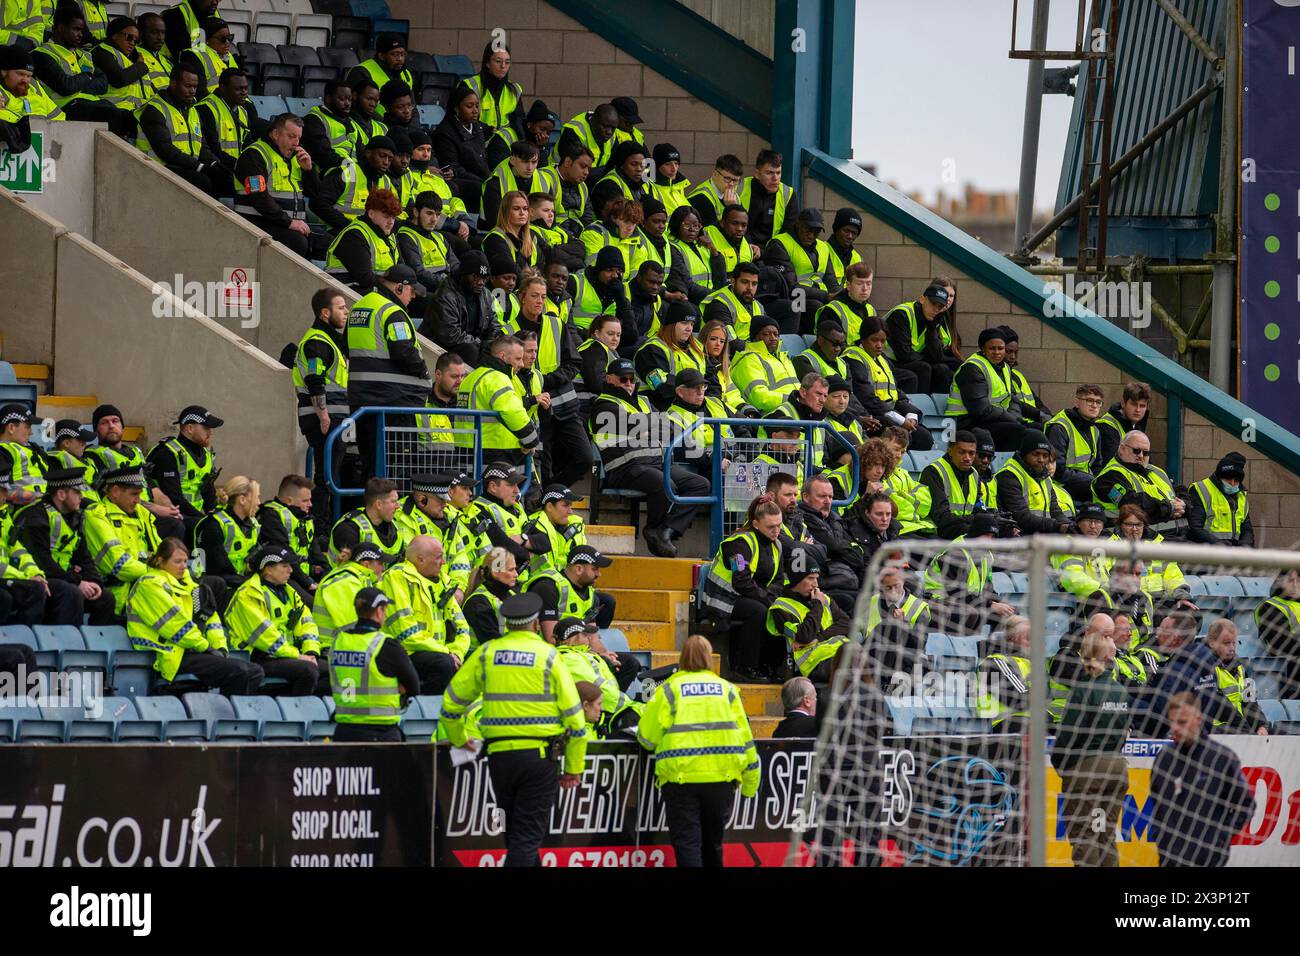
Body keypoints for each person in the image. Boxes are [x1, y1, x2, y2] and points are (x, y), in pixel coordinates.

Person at [440, 591, 587, 867]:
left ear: (506, 623)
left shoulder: (487, 654)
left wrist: (460, 739)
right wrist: (574, 768)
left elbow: (451, 704)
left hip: (500, 759)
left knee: (518, 838)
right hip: (538, 758)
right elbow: (576, 721)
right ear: (534, 623)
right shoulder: (548, 656)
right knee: (526, 839)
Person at [636, 634, 760, 868]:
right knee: (713, 844)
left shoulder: (669, 690)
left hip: (681, 780)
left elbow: (646, 738)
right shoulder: (728, 690)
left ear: (682, 659)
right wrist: (750, 785)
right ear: (709, 658)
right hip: (721, 779)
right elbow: (746, 739)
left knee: (687, 845)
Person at [588, 357, 709, 557]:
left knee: (700, 485)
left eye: (632, 380)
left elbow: (670, 426)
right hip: (624, 467)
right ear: (610, 379)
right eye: (623, 379)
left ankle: (665, 531)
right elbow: (634, 424)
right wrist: (650, 425)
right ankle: (652, 527)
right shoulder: (603, 404)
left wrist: (647, 426)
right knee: (664, 483)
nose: (629, 384)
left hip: (655, 462)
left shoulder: (643, 401)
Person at [125, 536, 262, 694]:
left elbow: (212, 620)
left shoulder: (193, 587)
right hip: (168, 655)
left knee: (255, 671)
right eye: (177, 561)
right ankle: (228, 714)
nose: (183, 566)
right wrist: (207, 648)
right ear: (160, 561)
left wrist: (220, 647)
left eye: (185, 561)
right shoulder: (149, 584)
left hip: (192, 651)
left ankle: (228, 711)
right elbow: (177, 626)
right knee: (241, 672)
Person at [1052, 627, 1132, 868]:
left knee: (1084, 836)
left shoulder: (1083, 690)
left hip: (1087, 769)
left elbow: (1068, 734)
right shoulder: (1120, 691)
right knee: (1105, 835)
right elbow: (1124, 734)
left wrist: (1060, 765)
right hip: (1117, 768)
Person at [503, 271, 590, 487]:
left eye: (543, 296)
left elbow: (574, 362)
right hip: (534, 410)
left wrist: (545, 380)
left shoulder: (556, 324)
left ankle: (553, 496)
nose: (540, 301)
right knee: (543, 466)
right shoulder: (509, 331)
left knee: (585, 458)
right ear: (522, 297)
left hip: (565, 405)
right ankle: (548, 499)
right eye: (534, 296)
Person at [1149, 693, 1255, 867]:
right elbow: (1157, 805)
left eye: (1182, 722)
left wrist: (1220, 838)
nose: (1175, 728)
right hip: (1170, 858)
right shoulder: (1164, 758)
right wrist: (1163, 840)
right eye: (1172, 722)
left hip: (1209, 858)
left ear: (1198, 719)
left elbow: (1245, 805)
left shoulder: (1222, 758)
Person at [345, 264, 430, 469]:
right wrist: (423, 372)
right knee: (395, 467)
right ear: (400, 288)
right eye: (412, 290)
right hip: (393, 402)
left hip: (362, 401)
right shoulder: (392, 312)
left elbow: (346, 348)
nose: (414, 296)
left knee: (371, 464)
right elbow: (404, 352)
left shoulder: (359, 308)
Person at [698, 496, 785, 681]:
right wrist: (765, 598)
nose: (776, 531)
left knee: (781, 609)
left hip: (751, 595)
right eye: (771, 527)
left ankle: (772, 666)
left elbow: (778, 579)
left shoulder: (776, 544)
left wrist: (772, 596)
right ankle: (744, 667)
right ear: (755, 523)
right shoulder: (738, 544)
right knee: (759, 611)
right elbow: (741, 581)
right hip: (724, 599)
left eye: (779, 525)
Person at [328, 586, 421, 741]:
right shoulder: (385, 645)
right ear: (379, 611)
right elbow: (414, 687)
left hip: (344, 732)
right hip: (380, 734)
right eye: (384, 610)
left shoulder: (338, 642)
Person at [380, 534, 467, 695]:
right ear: (420, 560)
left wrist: (456, 652)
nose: (444, 563)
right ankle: (422, 708)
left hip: (438, 653)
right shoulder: (397, 578)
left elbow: (462, 628)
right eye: (439, 558)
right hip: (405, 652)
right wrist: (446, 652)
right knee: (444, 664)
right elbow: (406, 633)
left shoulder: (442, 580)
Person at [291, 288, 348, 519]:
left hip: (334, 418)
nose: (346, 312)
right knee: (325, 477)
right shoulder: (317, 341)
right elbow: (314, 380)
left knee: (330, 475)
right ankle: (319, 527)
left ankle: (322, 525)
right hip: (324, 419)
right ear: (325, 313)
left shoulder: (328, 339)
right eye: (341, 308)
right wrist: (323, 415)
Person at [85, 404, 183, 540]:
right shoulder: (93, 456)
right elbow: (111, 495)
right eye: (104, 423)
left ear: (122, 426)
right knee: (174, 525)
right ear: (96, 430)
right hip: (123, 515)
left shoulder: (135, 452)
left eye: (115, 421)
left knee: (181, 521)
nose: (111, 426)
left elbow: (151, 487)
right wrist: (155, 508)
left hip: (146, 513)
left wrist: (170, 508)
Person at [233, 111, 322, 258]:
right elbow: (259, 197)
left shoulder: (296, 157)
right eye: (291, 137)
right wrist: (289, 223)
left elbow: (315, 194)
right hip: (258, 224)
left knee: (335, 245)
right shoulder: (254, 156)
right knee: (298, 243)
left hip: (291, 226)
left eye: (299, 138)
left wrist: (309, 170)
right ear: (275, 134)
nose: (296, 143)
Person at [33, 6, 131, 135]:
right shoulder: (41, 54)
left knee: (132, 118)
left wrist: (79, 83)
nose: (81, 34)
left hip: (92, 103)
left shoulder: (83, 55)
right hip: (66, 108)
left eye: (82, 30)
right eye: (76, 29)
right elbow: (65, 86)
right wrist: (88, 76)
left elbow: (103, 84)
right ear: (61, 28)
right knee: (113, 115)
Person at [78, 465, 159, 616]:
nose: (138, 500)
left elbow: (162, 552)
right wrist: (162, 572)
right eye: (134, 494)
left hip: (147, 586)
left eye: (140, 494)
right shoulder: (97, 515)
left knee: (204, 587)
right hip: (119, 597)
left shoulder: (142, 513)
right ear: (115, 492)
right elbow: (120, 567)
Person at [768, 546, 852, 684]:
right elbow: (804, 636)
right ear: (797, 580)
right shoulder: (781, 607)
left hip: (842, 653)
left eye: (817, 578)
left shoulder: (823, 598)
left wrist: (819, 638)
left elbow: (847, 623)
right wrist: (817, 605)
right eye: (810, 578)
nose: (816, 584)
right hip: (816, 663)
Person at [135, 63, 222, 196]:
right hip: (158, 169)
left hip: (186, 167)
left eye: (195, 87)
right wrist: (200, 167)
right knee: (204, 181)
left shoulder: (192, 109)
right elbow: (165, 150)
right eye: (188, 86)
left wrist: (215, 163)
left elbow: (201, 146)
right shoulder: (155, 109)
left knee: (226, 179)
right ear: (173, 84)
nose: (192, 91)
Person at [922, 512, 1016, 633]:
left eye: (992, 537)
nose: (989, 541)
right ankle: (966, 648)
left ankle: (996, 648)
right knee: (971, 614)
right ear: (975, 534)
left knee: (1009, 613)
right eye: (986, 536)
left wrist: (999, 604)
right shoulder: (956, 553)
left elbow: (988, 589)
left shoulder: (986, 555)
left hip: (971, 602)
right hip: (940, 601)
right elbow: (958, 594)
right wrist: (990, 605)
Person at [455, 335, 540, 468]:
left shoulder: (471, 377)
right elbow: (512, 411)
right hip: (494, 457)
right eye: (518, 359)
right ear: (502, 356)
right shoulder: (496, 378)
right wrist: (531, 440)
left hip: (466, 455)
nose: (522, 364)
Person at [145, 404, 221, 539]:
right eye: (206, 427)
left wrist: (215, 516)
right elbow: (174, 498)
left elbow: (209, 492)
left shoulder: (207, 455)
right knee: (211, 531)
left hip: (193, 516)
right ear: (190, 428)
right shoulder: (168, 453)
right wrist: (204, 519)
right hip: (171, 516)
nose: (210, 432)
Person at [1092, 430, 1186, 537]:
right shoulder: (1109, 477)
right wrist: (1169, 508)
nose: (1141, 456)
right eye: (1136, 451)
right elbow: (1132, 502)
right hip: (1138, 540)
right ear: (1122, 449)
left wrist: (1183, 504)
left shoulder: (1157, 471)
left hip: (1177, 535)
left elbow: (1180, 490)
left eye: (1146, 453)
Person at [945, 327, 1024, 451]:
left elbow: (1011, 398)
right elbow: (980, 410)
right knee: (1018, 431)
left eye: (1001, 348)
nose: (997, 352)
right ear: (983, 349)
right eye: (992, 348)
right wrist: (1012, 419)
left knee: (1036, 429)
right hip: (964, 422)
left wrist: (1017, 417)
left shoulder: (1004, 368)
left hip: (993, 419)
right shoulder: (972, 368)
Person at [526, 544, 618, 641]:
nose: (599, 574)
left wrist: (604, 653)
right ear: (579, 569)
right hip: (551, 652)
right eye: (594, 569)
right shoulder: (548, 588)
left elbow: (593, 639)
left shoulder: (591, 595)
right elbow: (552, 640)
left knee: (618, 656)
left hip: (576, 650)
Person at [883, 280, 960, 395]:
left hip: (908, 359)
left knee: (942, 370)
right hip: (885, 360)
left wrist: (932, 327)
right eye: (933, 304)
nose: (936, 309)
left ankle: (933, 407)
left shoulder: (932, 319)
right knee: (924, 368)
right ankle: (920, 405)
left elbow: (937, 355)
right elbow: (904, 354)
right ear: (922, 299)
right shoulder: (902, 314)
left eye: (940, 306)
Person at [192, 474, 261, 600]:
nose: (259, 503)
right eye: (257, 497)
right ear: (242, 500)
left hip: (241, 584)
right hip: (219, 589)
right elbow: (218, 570)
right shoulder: (214, 526)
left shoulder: (253, 525)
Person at [312, 544, 387, 658]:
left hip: (345, 647)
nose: (383, 568)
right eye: (381, 563)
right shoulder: (344, 581)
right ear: (366, 564)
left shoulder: (360, 579)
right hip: (333, 650)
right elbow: (353, 627)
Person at [424, 251, 498, 364]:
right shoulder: (445, 295)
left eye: (484, 278)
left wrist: (493, 343)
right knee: (471, 351)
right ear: (463, 274)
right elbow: (451, 335)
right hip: (439, 349)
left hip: (474, 345)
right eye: (475, 277)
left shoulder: (485, 294)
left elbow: (494, 322)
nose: (480, 282)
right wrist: (482, 344)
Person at [995, 430, 1072, 535]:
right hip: (1020, 535)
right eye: (1036, 454)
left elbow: (1055, 510)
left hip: (1043, 532)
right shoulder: (1009, 475)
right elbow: (1021, 517)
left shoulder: (1045, 476)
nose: (1041, 460)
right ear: (1024, 454)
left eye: (1045, 456)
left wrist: (1069, 525)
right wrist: (1058, 526)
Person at [324, 187, 402, 291]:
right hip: (347, 291)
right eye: (386, 216)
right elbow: (365, 278)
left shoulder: (390, 236)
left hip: (376, 289)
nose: (391, 222)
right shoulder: (355, 235)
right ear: (371, 214)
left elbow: (402, 268)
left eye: (393, 217)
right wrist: (394, 288)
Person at [634, 300, 707, 410]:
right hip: (660, 410)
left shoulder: (697, 348)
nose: (689, 329)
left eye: (692, 324)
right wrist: (692, 394)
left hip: (693, 406)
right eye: (684, 323)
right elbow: (660, 385)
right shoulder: (652, 349)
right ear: (671, 324)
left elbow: (711, 378)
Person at [258, 474, 322, 598]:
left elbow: (317, 554)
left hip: (306, 574)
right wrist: (308, 583)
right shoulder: (270, 516)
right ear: (289, 500)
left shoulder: (305, 518)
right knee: (314, 605)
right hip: (285, 577)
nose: (310, 504)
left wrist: (329, 576)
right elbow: (284, 552)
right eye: (305, 501)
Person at [192, 66, 250, 197]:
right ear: (223, 88)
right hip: (217, 169)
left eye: (245, 88)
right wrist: (238, 166)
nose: (244, 92)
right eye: (238, 89)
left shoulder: (242, 111)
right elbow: (212, 148)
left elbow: (247, 145)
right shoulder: (206, 108)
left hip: (236, 169)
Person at [1204, 619, 1269, 734]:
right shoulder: (1206, 666)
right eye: (1226, 643)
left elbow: (1250, 699)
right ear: (1212, 642)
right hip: (1215, 728)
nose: (1232, 648)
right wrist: (1246, 730)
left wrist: (1261, 725)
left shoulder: (1241, 666)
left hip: (1239, 727)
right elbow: (1220, 707)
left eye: (1234, 643)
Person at [433, 84, 489, 214]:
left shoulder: (477, 127)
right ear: (456, 109)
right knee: (483, 189)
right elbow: (454, 168)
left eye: (477, 106)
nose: (475, 111)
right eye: (469, 106)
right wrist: (485, 181)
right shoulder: (444, 133)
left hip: (481, 176)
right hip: (461, 179)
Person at [1044, 384, 1105, 502]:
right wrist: (1091, 479)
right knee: (1100, 492)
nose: (1094, 405)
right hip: (1061, 486)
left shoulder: (1094, 430)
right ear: (1077, 402)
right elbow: (1058, 471)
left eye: (1098, 402)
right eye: (1089, 400)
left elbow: (1097, 465)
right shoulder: (1060, 427)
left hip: (1085, 482)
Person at [767, 207, 837, 308]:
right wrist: (825, 296)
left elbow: (831, 282)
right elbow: (789, 286)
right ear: (798, 224)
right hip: (792, 298)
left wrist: (842, 296)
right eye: (808, 229)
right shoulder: (779, 244)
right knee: (817, 306)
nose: (811, 235)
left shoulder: (823, 247)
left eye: (816, 231)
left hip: (820, 296)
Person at [919, 430, 983, 539]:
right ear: (950, 451)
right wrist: (975, 519)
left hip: (963, 525)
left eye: (971, 453)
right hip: (937, 530)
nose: (967, 458)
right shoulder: (933, 472)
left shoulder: (974, 474)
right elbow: (941, 518)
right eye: (962, 452)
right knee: (978, 533)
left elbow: (978, 506)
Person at [974, 615, 1034, 732]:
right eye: (1028, 637)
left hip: (1031, 721)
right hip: (1005, 724)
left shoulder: (1033, 663)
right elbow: (1018, 699)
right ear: (1012, 639)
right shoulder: (994, 662)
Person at [731, 315, 798, 415]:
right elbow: (759, 398)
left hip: (796, 412)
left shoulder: (783, 358)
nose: (773, 338)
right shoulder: (748, 359)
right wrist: (795, 401)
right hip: (774, 418)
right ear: (755, 338)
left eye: (776, 334)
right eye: (766, 334)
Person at [331, 476, 402, 565]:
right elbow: (355, 567)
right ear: (379, 504)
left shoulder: (394, 525)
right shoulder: (348, 528)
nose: (398, 506)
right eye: (393, 501)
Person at [1186, 452, 1253, 547]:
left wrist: (1245, 547)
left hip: (1233, 555)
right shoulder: (1201, 489)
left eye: (1236, 480)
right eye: (1228, 479)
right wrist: (1218, 545)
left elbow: (1246, 529)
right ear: (1219, 477)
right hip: (1207, 554)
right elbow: (1193, 528)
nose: (1233, 484)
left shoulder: (1241, 495)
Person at [397, 192, 458, 294]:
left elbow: (455, 265)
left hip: (447, 286)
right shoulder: (406, 236)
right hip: (429, 290)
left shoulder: (438, 236)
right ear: (416, 212)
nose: (434, 219)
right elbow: (419, 273)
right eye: (429, 213)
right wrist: (450, 284)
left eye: (438, 214)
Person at [91, 17, 152, 117]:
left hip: (137, 113)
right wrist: (141, 66)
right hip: (115, 112)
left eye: (136, 40)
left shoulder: (131, 60)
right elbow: (119, 79)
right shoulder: (102, 52)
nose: (132, 43)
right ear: (114, 35)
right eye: (129, 37)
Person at [461, 545, 520, 646]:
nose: (516, 574)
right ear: (495, 572)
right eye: (511, 570)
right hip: (483, 658)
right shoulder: (478, 602)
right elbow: (491, 642)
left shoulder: (511, 594)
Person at [738, 149, 797, 247]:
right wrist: (748, 246)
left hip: (773, 250)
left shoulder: (788, 194)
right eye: (769, 173)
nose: (775, 178)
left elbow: (788, 233)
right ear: (757, 174)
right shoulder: (739, 188)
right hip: (742, 246)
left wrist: (765, 251)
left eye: (778, 173)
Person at [1256, 569, 1300, 700]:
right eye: (1290, 581)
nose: (1295, 585)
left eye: (1298, 580)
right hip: (1290, 668)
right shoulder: (1270, 607)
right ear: (1280, 582)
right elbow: (1281, 642)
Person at [347, 32, 411, 117]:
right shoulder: (361, 72)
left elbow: (412, 106)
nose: (400, 59)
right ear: (381, 55)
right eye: (395, 54)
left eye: (402, 54)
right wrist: (385, 125)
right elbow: (359, 106)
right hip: (375, 126)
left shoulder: (406, 73)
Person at [303, 79, 355, 172]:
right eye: (342, 99)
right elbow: (322, 155)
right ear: (328, 98)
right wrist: (348, 164)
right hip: (329, 172)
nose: (347, 103)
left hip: (351, 170)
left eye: (350, 99)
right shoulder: (314, 119)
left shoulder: (350, 122)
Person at [486, 98, 553, 170]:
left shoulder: (542, 145)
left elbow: (543, 173)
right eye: (542, 129)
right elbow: (498, 169)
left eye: (548, 132)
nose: (545, 135)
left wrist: (540, 150)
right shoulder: (505, 136)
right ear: (530, 124)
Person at [178, 16, 236, 97]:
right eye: (222, 39)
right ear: (207, 40)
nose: (227, 42)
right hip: (211, 104)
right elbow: (199, 92)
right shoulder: (193, 55)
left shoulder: (228, 55)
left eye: (230, 38)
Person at [1096, 381, 1151, 466]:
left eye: (1142, 406)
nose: (1138, 410)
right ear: (1123, 403)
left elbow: (1146, 460)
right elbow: (1111, 466)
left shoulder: (1137, 424)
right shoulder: (1106, 426)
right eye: (1133, 404)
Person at [555, 102, 617, 174]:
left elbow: (616, 163)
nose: (609, 132)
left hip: (589, 179)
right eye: (605, 126)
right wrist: (606, 170)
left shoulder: (612, 134)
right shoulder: (575, 131)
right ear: (593, 120)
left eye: (613, 128)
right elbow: (576, 169)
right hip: (561, 178)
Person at [687, 153, 744, 230]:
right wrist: (731, 209)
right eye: (727, 178)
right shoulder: (701, 197)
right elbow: (713, 233)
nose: (731, 184)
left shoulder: (735, 196)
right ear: (714, 174)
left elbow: (743, 227)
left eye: (735, 180)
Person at [135, 11, 173, 96]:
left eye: (163, 32)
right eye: (154, 32)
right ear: (141, 33)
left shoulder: (165, 60)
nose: (160, 37)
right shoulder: (135, 55)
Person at [827, 208, 864, 286]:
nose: (850, 236)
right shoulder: (822, 250)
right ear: (836, 229)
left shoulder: (857, 258)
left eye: (854, 233)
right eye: (846, 231)